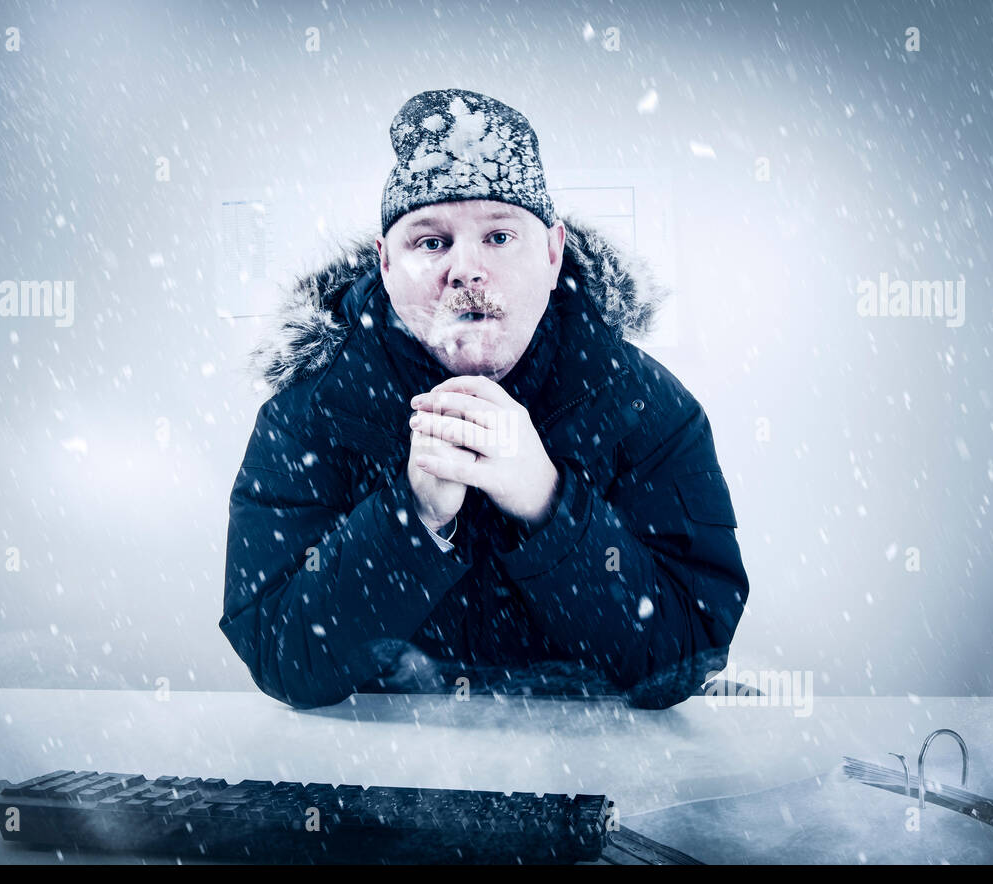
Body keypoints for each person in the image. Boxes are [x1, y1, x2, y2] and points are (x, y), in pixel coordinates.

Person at [219, 88, 749, 709]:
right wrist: (411, 517)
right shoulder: (308, 418)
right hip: (379, 778)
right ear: (386, 265)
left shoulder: (648, 408)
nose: (466, 269)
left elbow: (685, 655)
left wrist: (547, 502)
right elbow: (283, 657)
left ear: (552, 255)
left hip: (592, 773)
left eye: (498, 237)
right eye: (431, 242)